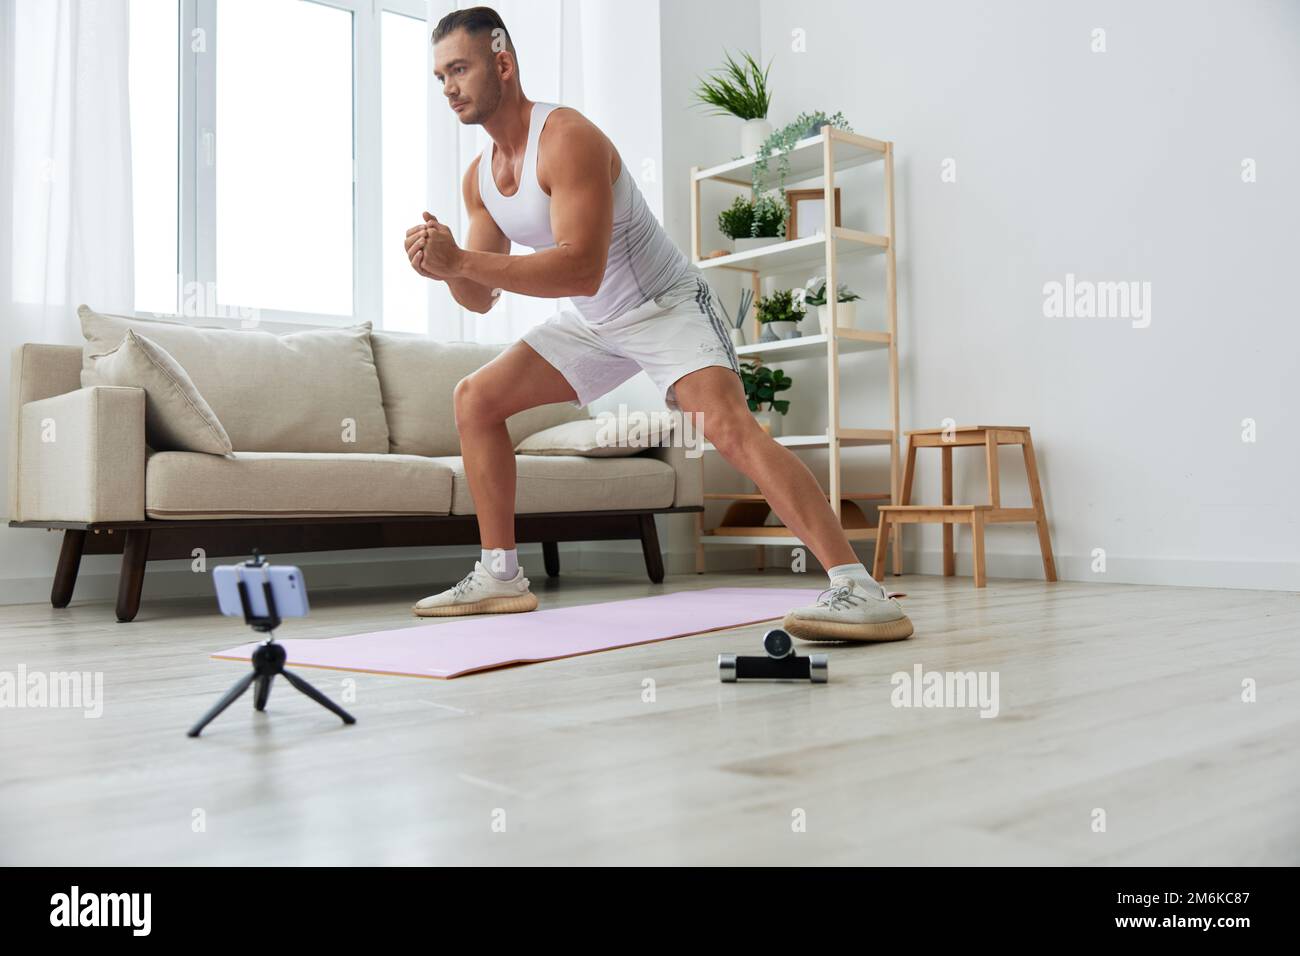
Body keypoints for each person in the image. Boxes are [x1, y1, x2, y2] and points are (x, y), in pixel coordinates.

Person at [404, 6, 912, 642]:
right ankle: (501, 573)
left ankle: (858, 588)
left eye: (460, 68)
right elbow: (478, 298)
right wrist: (444, 266)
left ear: (501, 64)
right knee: (475, 399)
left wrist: (463, 261)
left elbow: (579, 268)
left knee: (729, 428)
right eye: (439, 76)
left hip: (665, 303)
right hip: (598, 320)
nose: (449, 87)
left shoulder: (566, 138)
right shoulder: (481, 179)